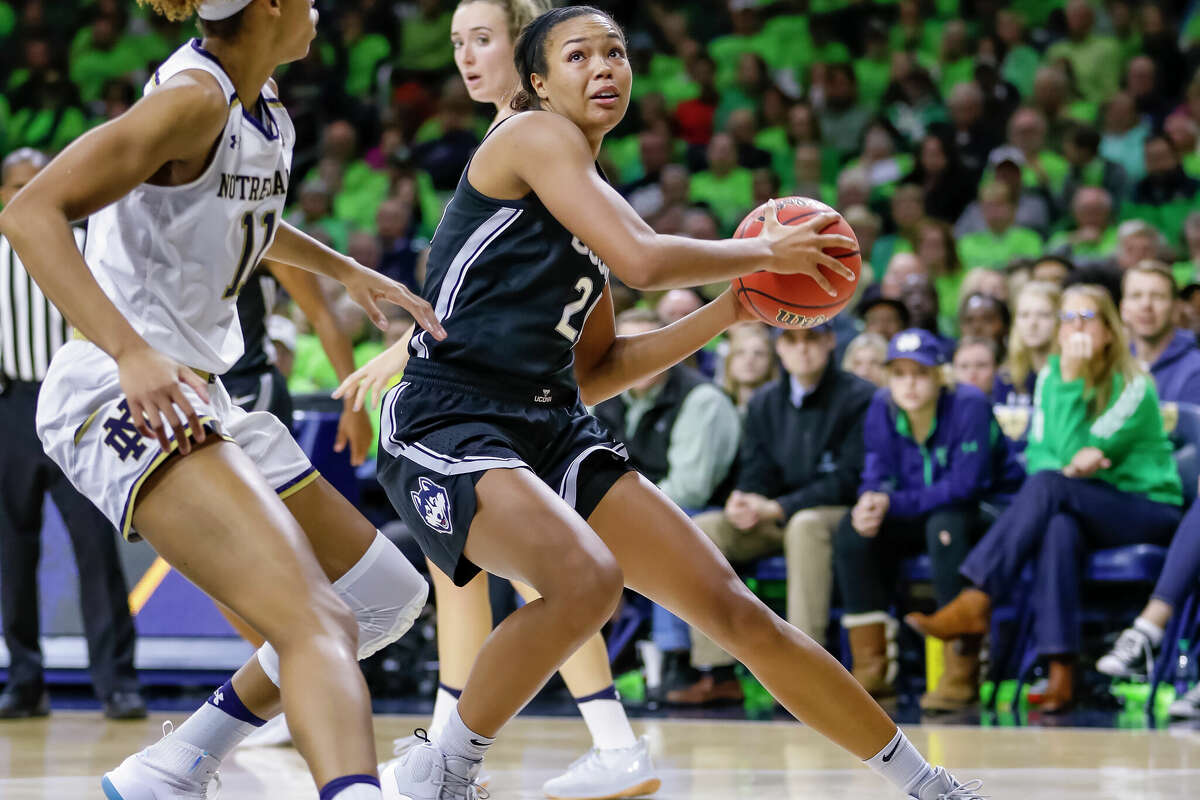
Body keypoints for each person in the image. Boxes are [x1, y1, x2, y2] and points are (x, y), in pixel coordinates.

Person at [347, 7, 984, 799]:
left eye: (615, 51)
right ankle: (441, 769)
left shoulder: (591, 188)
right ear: (539, 82)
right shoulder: (531, 137)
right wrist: (763, 250)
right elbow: (646, 262)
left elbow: (599, 368)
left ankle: (928, 785)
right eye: (579, 55)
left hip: (545, 420)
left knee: (736, 612)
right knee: (585, 582)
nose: (604, 66)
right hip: (449, 417)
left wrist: (730, 309)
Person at [0, 2, 442, 798]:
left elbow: (240, 218)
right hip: (121, 392)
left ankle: (172, 766)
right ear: (267, 6)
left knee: (384, 597)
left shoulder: (263, 104)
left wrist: (344, 268)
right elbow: (31, 211)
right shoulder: (192, 99)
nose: (318, 8)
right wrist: (128, 350)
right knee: (319, 623)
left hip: (204, 392)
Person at [341, 2, 664, 797]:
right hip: (490, 395)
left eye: (481, 38)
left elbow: (593, 296)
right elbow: (490, 288)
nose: (463, 56)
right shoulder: (545, 146)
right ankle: (474, 748)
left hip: (516, 406)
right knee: (504, 573)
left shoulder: (537, 140)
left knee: (549, 575)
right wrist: (409, 346)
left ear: (527, 55)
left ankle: (479, 749)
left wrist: (414, 350)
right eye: (454, 43)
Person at [908, 285, 1184, 712]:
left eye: (1087, 319)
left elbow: (1074, 457)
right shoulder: (1051, 379)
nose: (1075, 329)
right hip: (1080, 503)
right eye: (1067, 319)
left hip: (1146, 508)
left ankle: (977, 597)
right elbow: (1041, 456)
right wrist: (1066, 381)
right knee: (1057, 524)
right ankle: (1061, 672)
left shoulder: (1133, 384)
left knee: (1052, 490)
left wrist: (1073, 379)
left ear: (1109, 332)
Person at [0, 149, 145, 722]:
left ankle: (117, 682)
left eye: (35, 181)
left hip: (79, 406)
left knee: (96, 548)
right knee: (13, 551)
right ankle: (24, 680)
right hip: (10, 405)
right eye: (15, 183)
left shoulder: (89, 243)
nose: (25, 190)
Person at [666, 323, 875, 705]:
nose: (803, 350)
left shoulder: (859, 396)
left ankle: (803, 672)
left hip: (834, 515)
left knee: (805, 526)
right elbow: (755, 468)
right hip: (775, 514)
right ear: (780, 349)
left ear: (830, 342)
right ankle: (717, 671)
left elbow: (849, 478)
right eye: (792, 341)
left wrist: (780, 506)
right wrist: (743, 499)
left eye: (812, 339)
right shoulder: (765, 401)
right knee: (706, 527)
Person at [836, 329, 1023, 708]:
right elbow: (875, 471)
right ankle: (872, 670)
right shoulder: (881, 407)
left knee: (946, 525)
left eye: (920, 373)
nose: (910, 384)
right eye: (900, 374)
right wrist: (870, 502)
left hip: (990, 512)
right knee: (851, 534)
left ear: (941, 375)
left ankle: (962, 669)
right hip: (922, 511)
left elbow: (966, 486)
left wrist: (892, 503)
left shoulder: (968, 404)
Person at [1120, 261, 1200, 403]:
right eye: (1136, 296)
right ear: (1123, 309)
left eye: (1157, 296)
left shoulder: (1196, 372)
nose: (1146, 305)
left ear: (1176, 309)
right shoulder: (1111, 366)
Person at [995, 281, 1061, 407]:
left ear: (1059, 320)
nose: (1032, 324)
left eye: (1043, 315)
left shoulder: (1072, 377)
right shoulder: (1006, 377)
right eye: (1024, 315)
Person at [721, 321, 777, 411]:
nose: (749, 360)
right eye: (740, 352)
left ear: (770, 361)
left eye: (758, 353)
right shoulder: (718, 406)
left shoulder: (779, 411)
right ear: (729, 360)